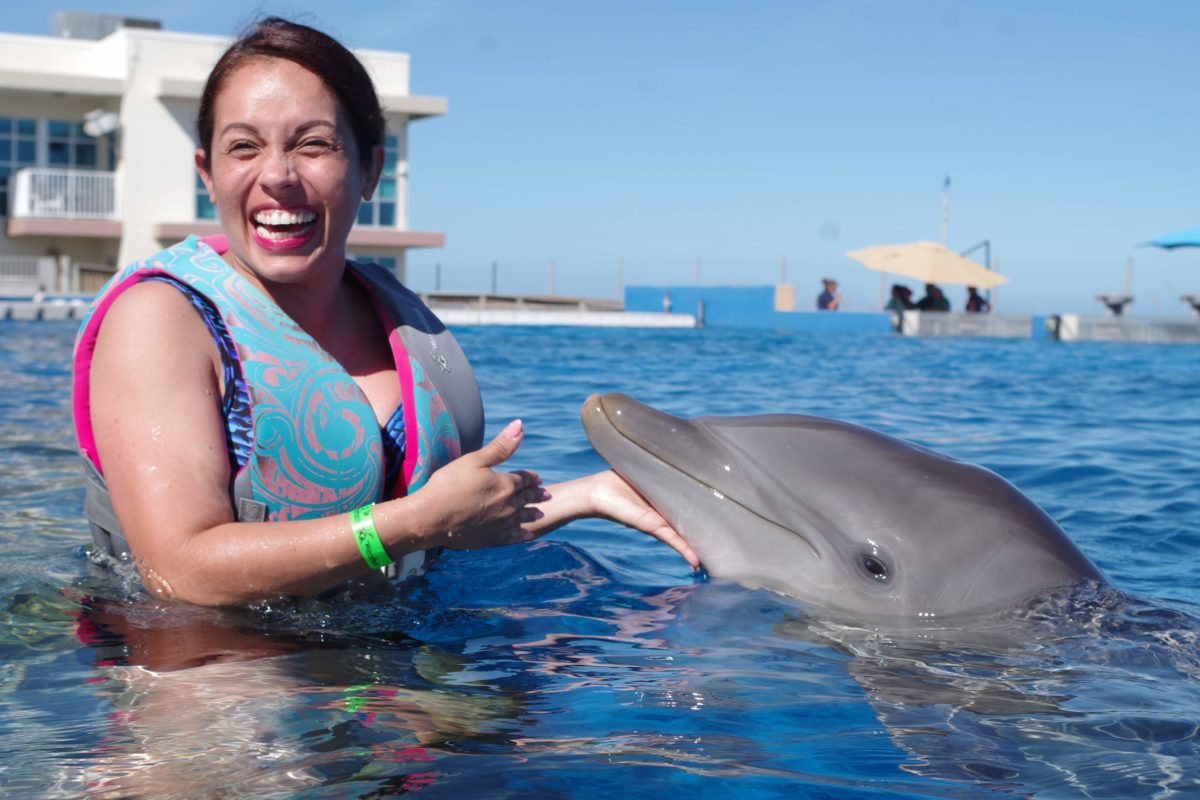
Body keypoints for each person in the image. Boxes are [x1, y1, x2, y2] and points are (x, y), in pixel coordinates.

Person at [72, 18, 697, 607]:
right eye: (244, 148)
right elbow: (180, 571)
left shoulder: (399, 320)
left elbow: (441, 521)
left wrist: (587, 495)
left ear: (369, 167)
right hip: (207, 667)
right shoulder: (160, 321)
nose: (278, 176)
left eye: (313, 145)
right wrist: (415, 523)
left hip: (375, 660)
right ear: (207, 173)